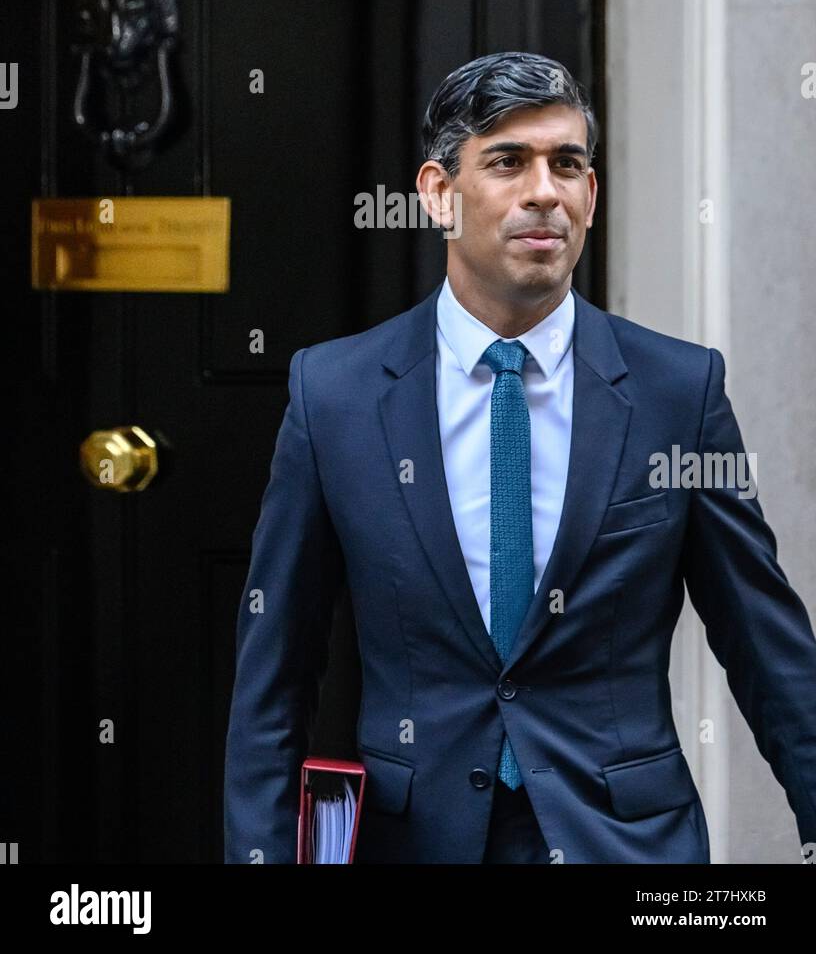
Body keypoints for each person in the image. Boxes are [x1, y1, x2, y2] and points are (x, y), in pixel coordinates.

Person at [223, 50, 816, 863]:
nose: (545, 190)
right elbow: (275, 673)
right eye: (508, 162)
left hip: (625, 843)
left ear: (592, 196)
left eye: (567, 164)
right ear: (438, 194)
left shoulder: (680, 391)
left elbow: (768, 648)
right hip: (414, 840)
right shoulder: (337, 395)